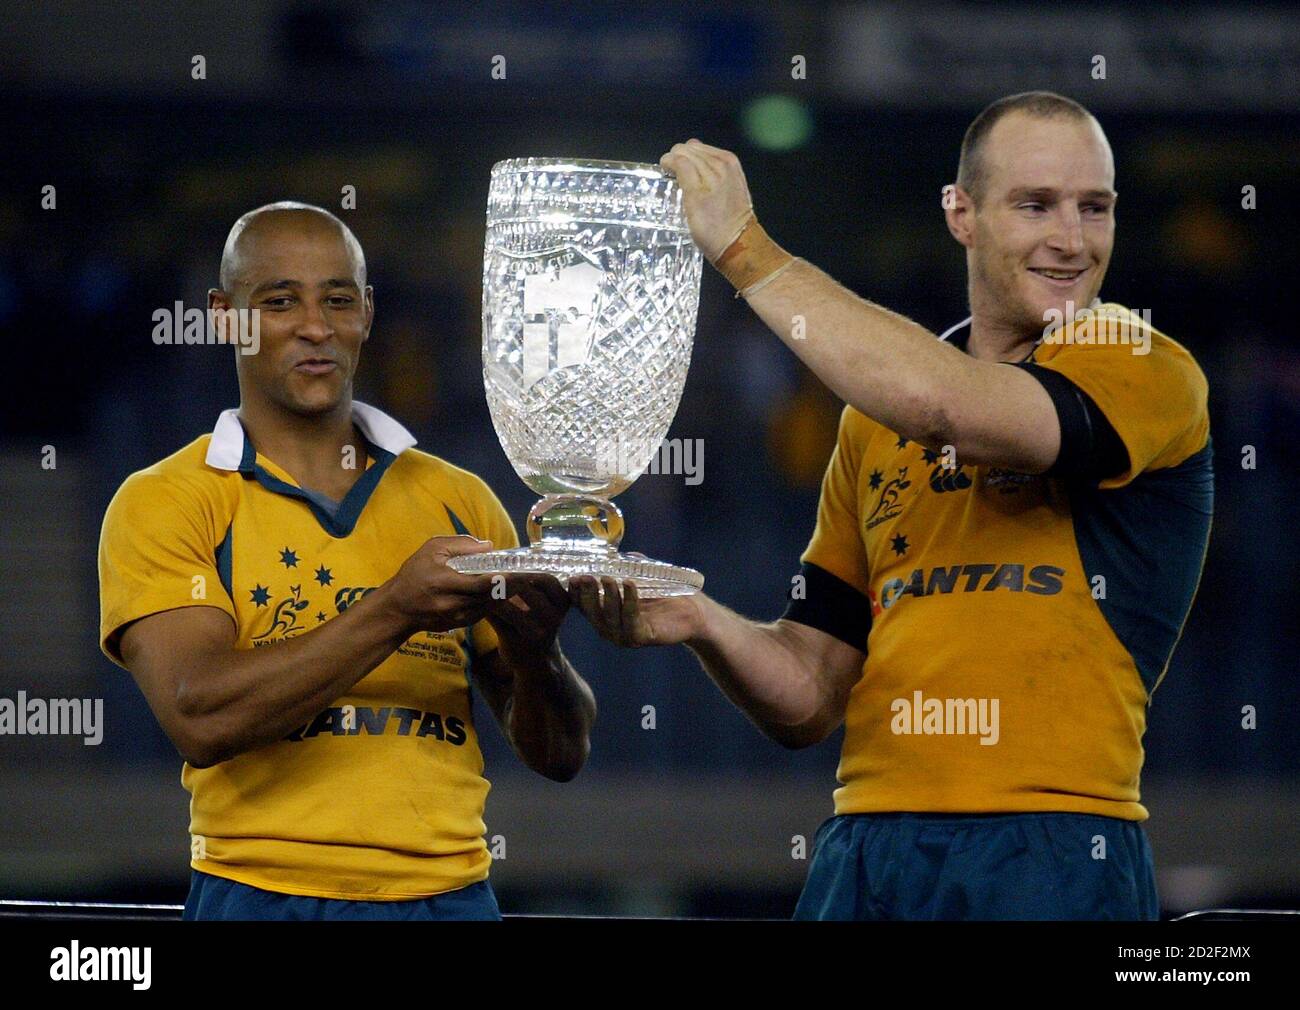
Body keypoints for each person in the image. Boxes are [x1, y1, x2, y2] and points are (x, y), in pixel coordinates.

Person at [570, 91, 1212, 920]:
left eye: (1095, 207)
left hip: (1054, 844)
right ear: (961, 213)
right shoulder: (872, 423)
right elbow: (808, 692)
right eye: (1035, 204)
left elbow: (950, 407)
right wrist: (700, 620)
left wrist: (742, 248)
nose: (1072, 239)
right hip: (866, 848)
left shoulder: (1143, 365)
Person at [98, 202, 596, 921]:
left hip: (454, 899)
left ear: (366, 312)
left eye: (337, 299)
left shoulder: (460, 498)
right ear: (222, 315)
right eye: (279, 302)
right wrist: (397, 607)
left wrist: (536, 651)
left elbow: (561, 756)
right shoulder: (165, 501)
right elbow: (200, 716)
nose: (315, 327)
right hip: (265, 895)